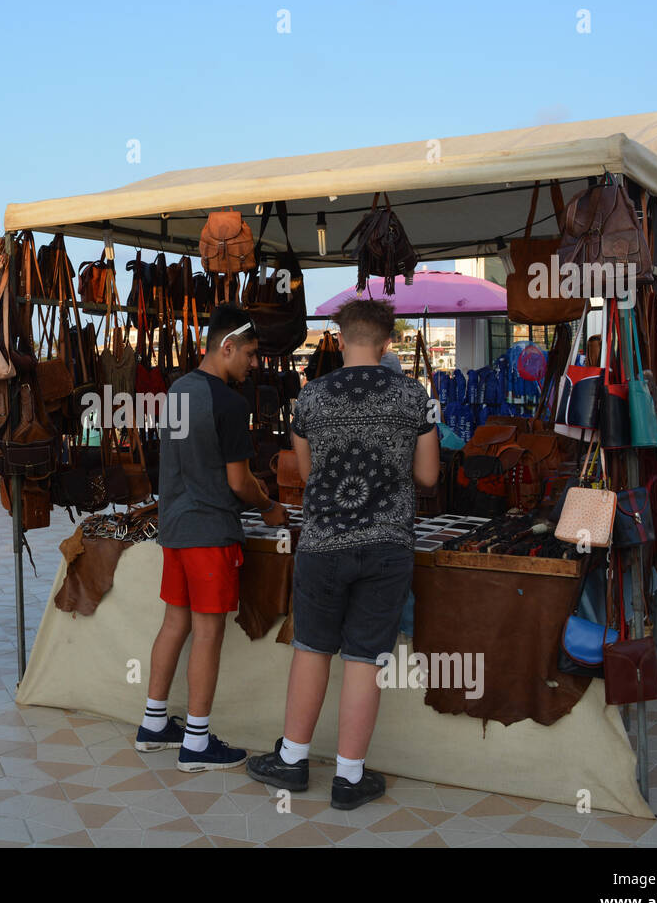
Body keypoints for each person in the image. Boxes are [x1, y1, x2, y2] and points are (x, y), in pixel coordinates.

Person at [245, 299, 439, 810]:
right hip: (388, 546)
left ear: (340, 335)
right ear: (388, 341)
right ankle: (349, 779)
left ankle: (292, 761)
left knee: (311, 649)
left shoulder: (311, 398)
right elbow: (429, 476)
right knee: (363, 659)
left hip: (324, 543)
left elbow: (306, 475)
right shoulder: (413, 395)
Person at [133, 307, 288, 773]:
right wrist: (269, 506)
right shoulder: (230, 404)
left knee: (174, 624)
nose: (254, 363)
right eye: (251, 354)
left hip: (176, 529)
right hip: (209, 533)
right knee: (207, 633)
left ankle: (153, 724)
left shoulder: (177, 391)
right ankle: (196, 743)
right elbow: (239, 483)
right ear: (227, 347)